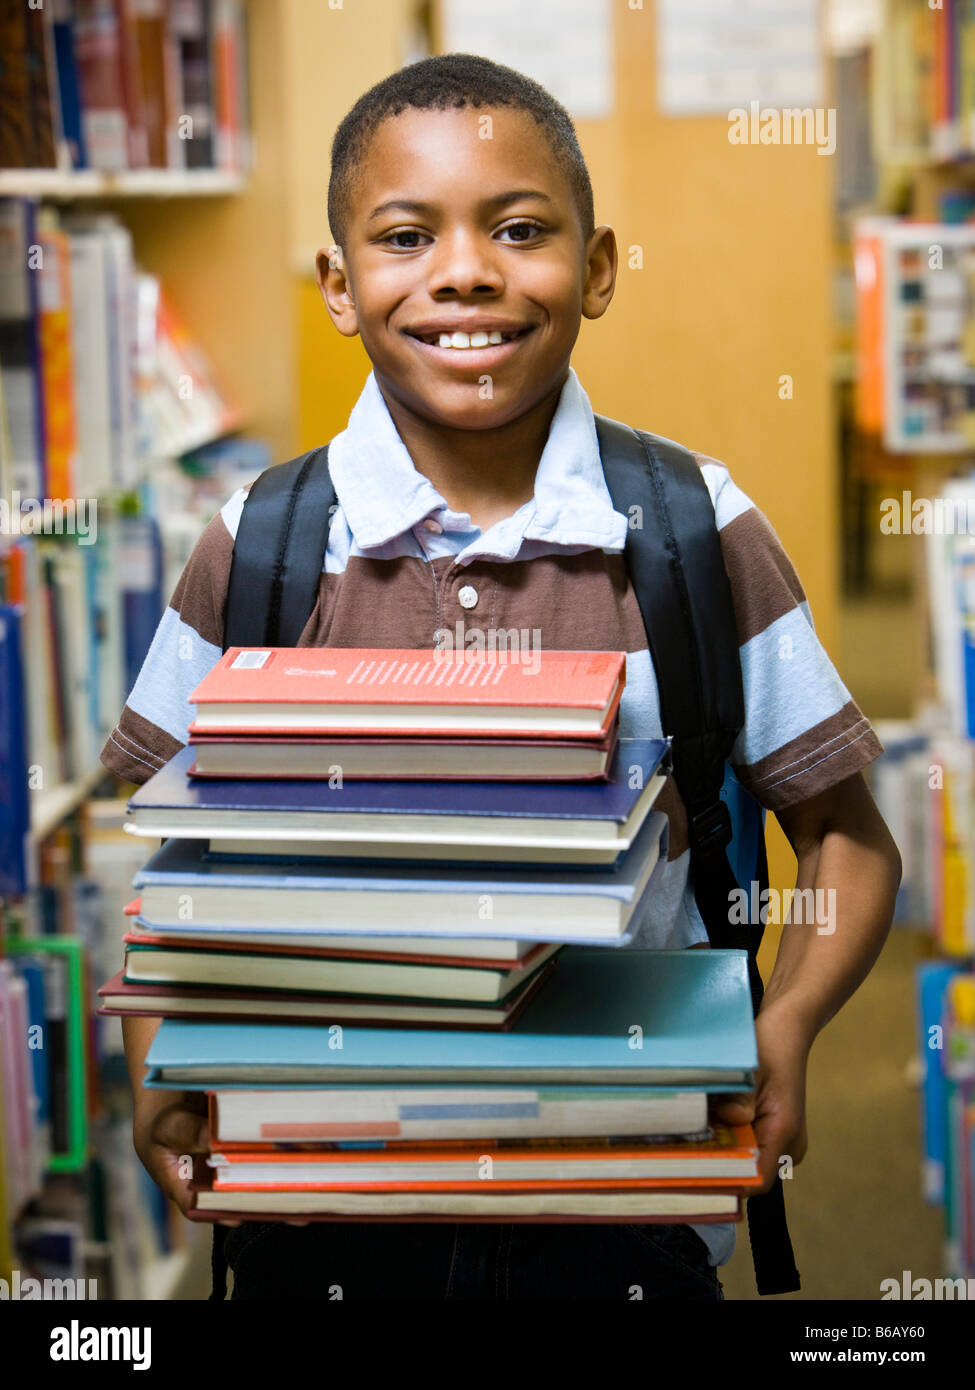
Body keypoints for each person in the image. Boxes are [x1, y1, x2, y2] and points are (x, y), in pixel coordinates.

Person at [100, 53, 902, 1301]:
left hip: (626, 1200)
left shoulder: (697, 528)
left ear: (599, 267)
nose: (466, 271)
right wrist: (164, 1058)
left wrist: (785, 1023)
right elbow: (168, 864)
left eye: (520, 229)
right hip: (320, 1207)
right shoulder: (260, 544)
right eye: (405, 236)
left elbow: (846, 836)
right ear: (338, 285)